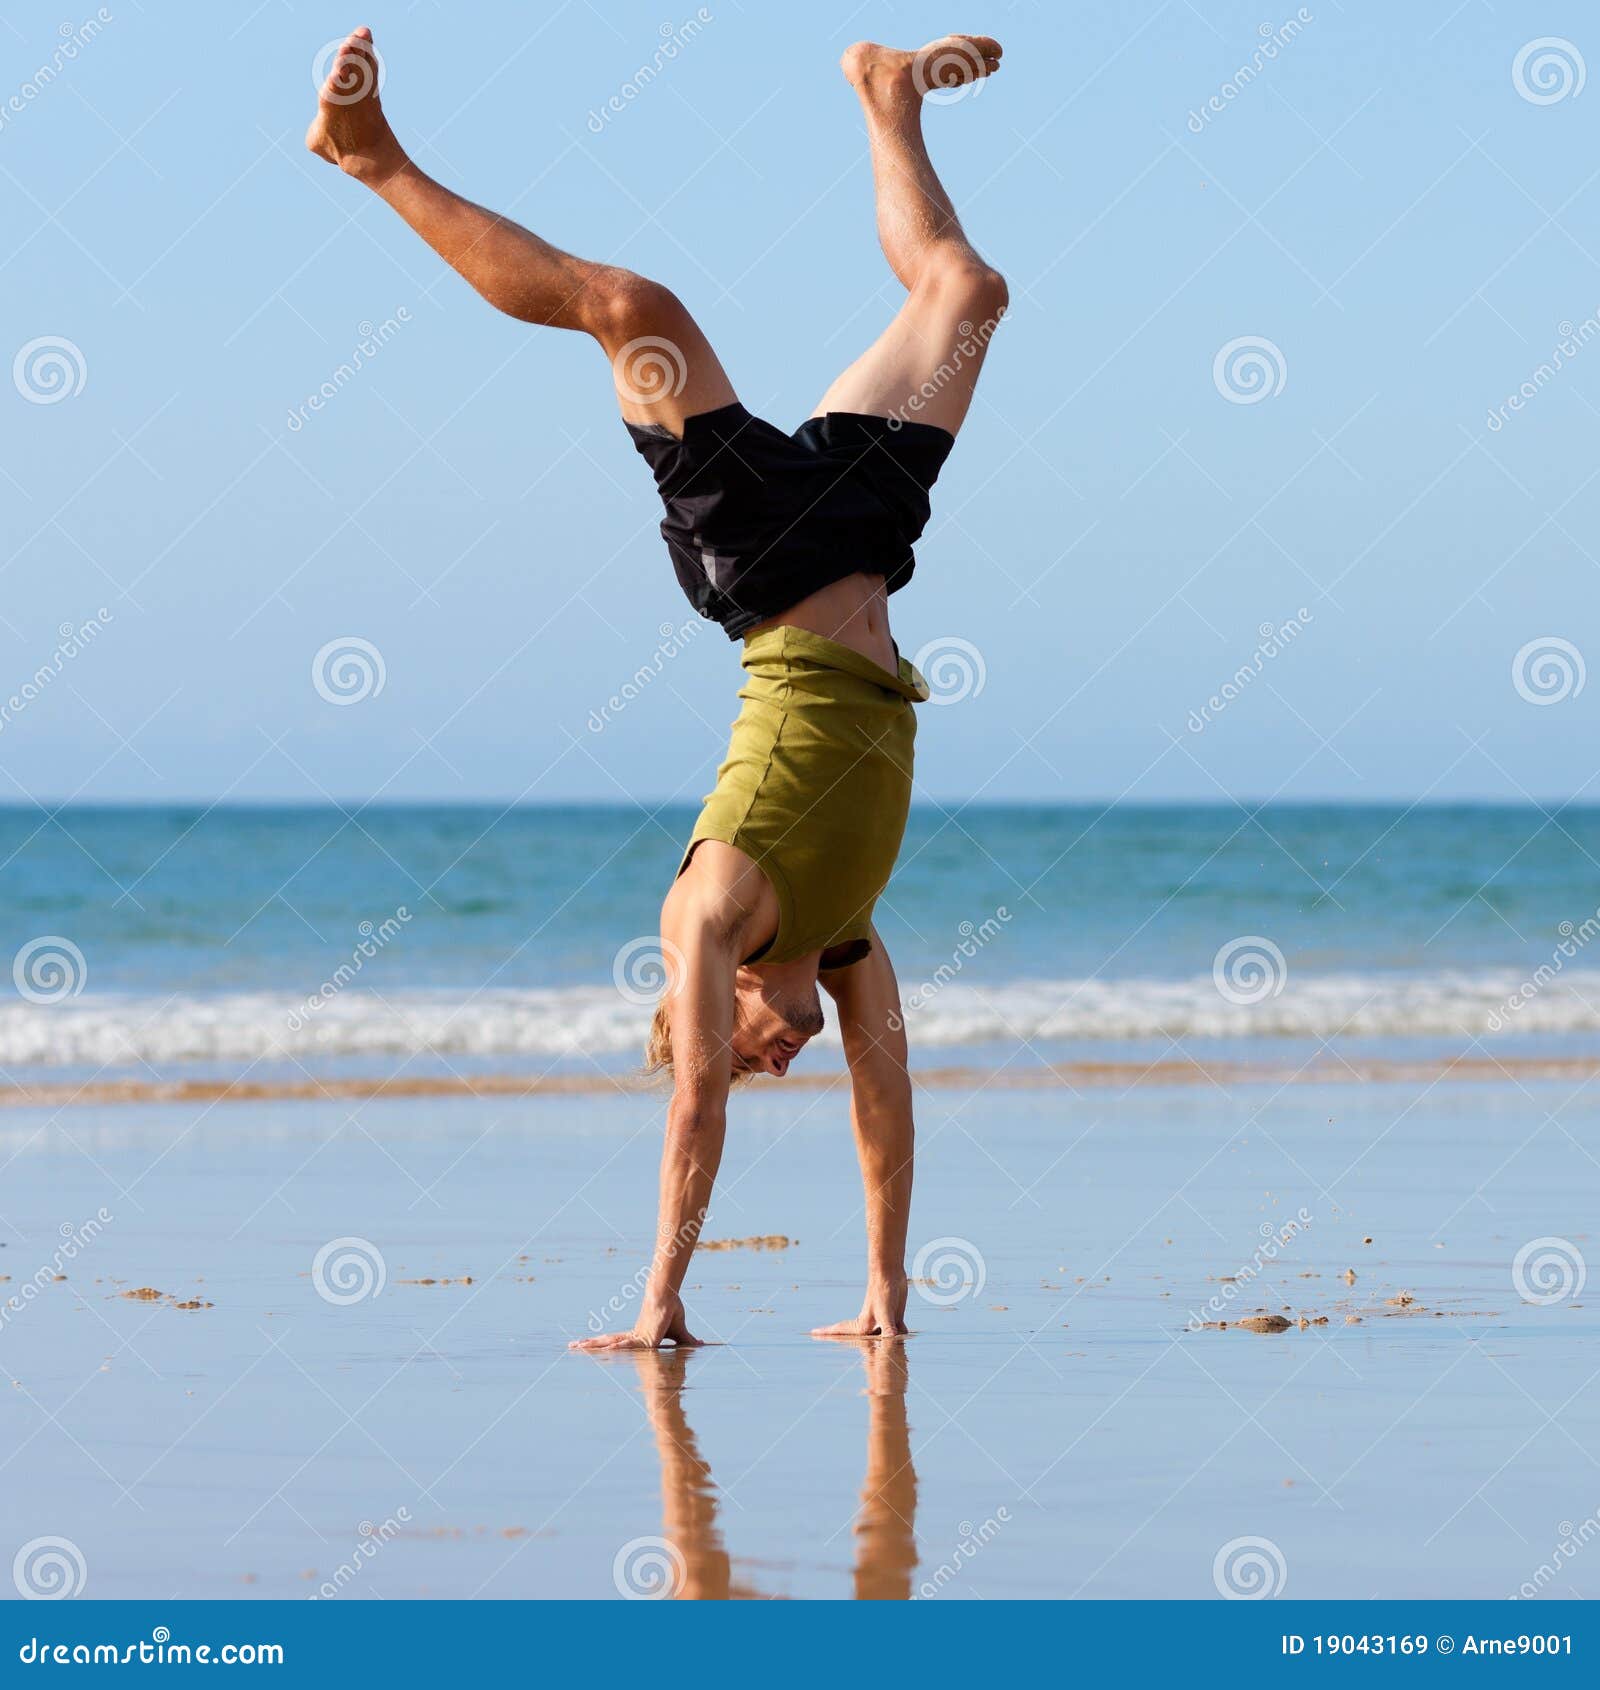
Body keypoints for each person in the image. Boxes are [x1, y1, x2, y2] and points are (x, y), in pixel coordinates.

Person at [307, 26, 1006, 1347]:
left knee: (631, 307)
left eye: (746, 1046)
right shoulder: (844, 936)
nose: (770, 1055)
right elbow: (888, 1093)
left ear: (713, 1005)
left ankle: (371, 159)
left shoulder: (713, 914)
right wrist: (885, 1288)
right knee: (967, 294)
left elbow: (691, 1108)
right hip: (858, 541)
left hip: (761, 563)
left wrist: (661, 1300)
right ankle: (885, 94)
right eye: (769, 1054)